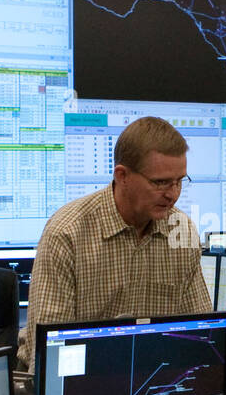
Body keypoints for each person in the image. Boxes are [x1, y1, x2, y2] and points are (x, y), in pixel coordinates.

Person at [18, 117, 211, 370]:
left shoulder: (181, 229)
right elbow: (49, 351)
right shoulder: (67, 233)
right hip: (82, 376)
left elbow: (201, 330)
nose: (172, 193)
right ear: (122, 176)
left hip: (153, 375)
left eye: (179, 181)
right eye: (160, 182)